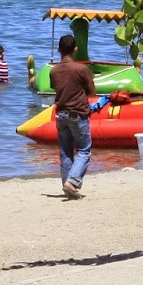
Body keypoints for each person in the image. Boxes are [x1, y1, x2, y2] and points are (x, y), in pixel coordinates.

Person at [50, 33, 94, 199]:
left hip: (61, 114)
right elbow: (92, 91)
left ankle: (67, 186)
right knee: (84, 150)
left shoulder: (54, 71)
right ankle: (73, 182)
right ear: (75, 49)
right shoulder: (81, 69)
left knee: (65, 152)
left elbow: (56, 88)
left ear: (59, 49)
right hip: (77, 113)